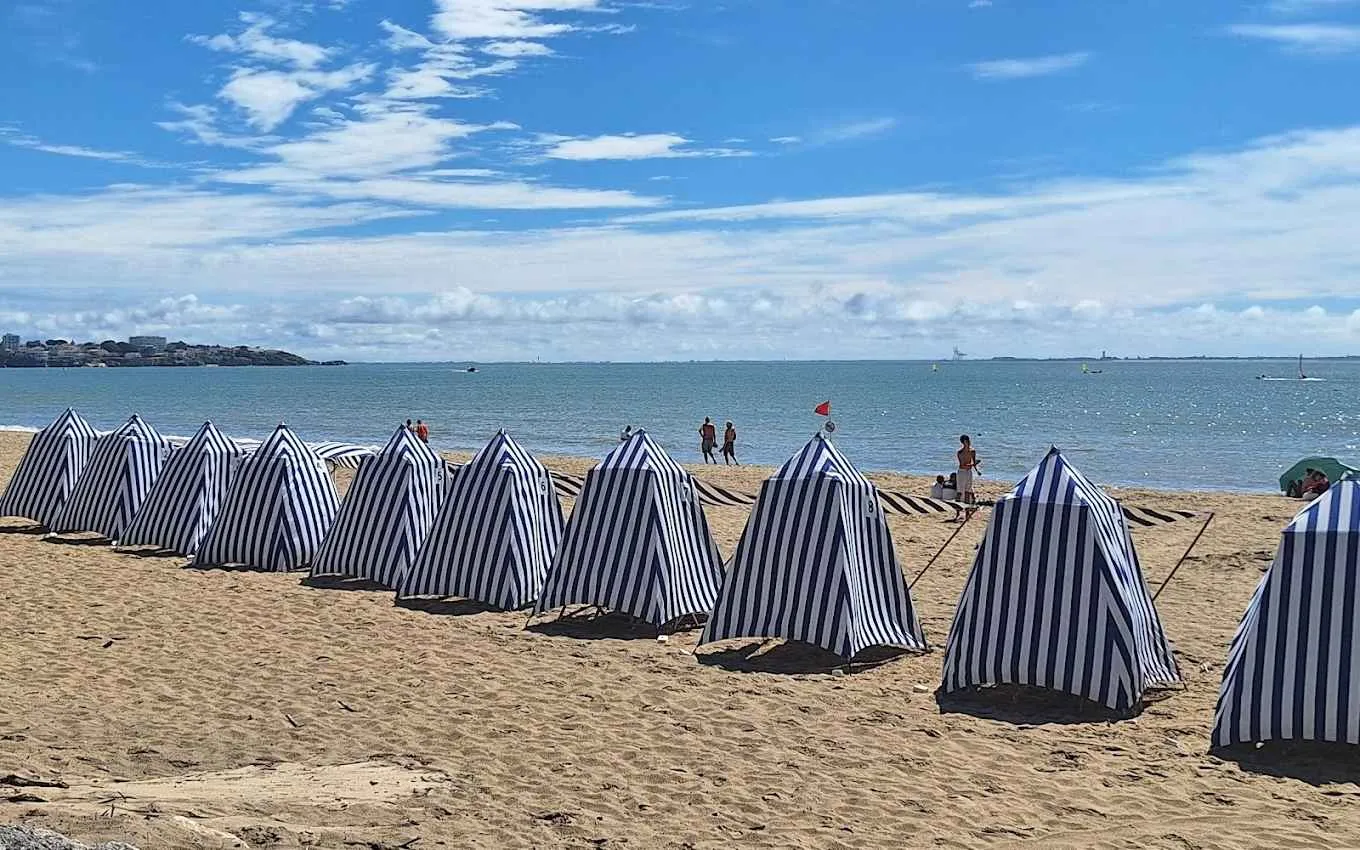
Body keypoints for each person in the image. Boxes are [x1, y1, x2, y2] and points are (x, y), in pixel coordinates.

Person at [957, 435, 980, 505]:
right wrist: (973, 465)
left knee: (968, 491)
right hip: (962, 472)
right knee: (960, 491)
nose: (968, 442)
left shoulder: (972, 451)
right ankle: (958, 510)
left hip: (969, 472)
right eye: (966, 441)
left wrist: (977, 470)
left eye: (968, 441)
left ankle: (967, 509)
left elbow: (973, 462)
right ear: (963, 442)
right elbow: (962, 465)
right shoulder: (960, 452)